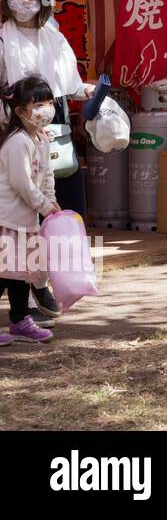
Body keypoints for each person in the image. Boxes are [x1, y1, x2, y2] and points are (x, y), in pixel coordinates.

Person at [0, 0, 97, 322]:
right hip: (13, 130)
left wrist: (89, 92)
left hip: (54, 130)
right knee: (19, 213)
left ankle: (48, 280)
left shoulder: (55, 39)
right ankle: (28, 291)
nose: (22, 2)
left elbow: (70, 85)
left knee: (57, 209)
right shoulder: (1, 39)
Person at [0, 75, 60, 344]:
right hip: (7, 218)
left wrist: (51, 200)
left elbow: (47, 175)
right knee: (4, 272)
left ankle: (20, 321)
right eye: (38, 104)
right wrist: (44, 206)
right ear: (20, 111)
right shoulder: (17, 142)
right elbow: (22, 183)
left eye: (48, 102)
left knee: (21, 273)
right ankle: (20, 320)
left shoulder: (42, 139)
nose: (45, 109)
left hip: (25, 219)